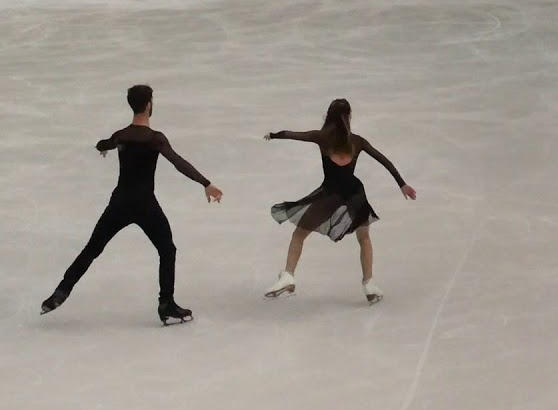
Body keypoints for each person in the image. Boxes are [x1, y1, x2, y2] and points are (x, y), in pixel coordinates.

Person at [41, 85, 223, 325]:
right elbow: (178, 162)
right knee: (167, 250)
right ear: (148, 104)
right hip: (145, 204)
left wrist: (104, 148)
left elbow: (102, 143)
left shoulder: (121, 135)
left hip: (119, 203)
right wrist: (206, 183)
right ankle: (166, 303)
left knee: (92, 248)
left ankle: (59, 293)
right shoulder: (154, 138)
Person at [261, 99, 416, 305]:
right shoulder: (357, 142)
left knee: (299, 234)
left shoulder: (322, 138)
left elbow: (293, 134)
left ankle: (288, 276)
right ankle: (369, 284)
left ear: (328, 116)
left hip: (330, 195)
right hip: (354, 194)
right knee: (364, 238)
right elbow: (385, 161)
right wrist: (402, 184)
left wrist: (273, 135)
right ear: (349, 117)